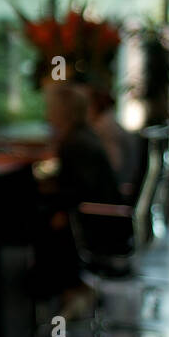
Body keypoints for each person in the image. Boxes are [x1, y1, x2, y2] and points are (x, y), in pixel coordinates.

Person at [31, 83, 123, 320]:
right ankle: (71, 289)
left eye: (51, 108)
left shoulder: (76, 143)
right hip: (103, 218)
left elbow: (77, 192)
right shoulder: (82, 136)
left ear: (63, 111)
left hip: (94, 224)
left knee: (38, 224)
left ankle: (66, 290)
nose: (47, 113)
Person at [88, 87, 145, 204]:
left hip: (116, 196)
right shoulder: (111, 124)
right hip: (125, 189)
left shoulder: (105, 130)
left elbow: (115, 166)